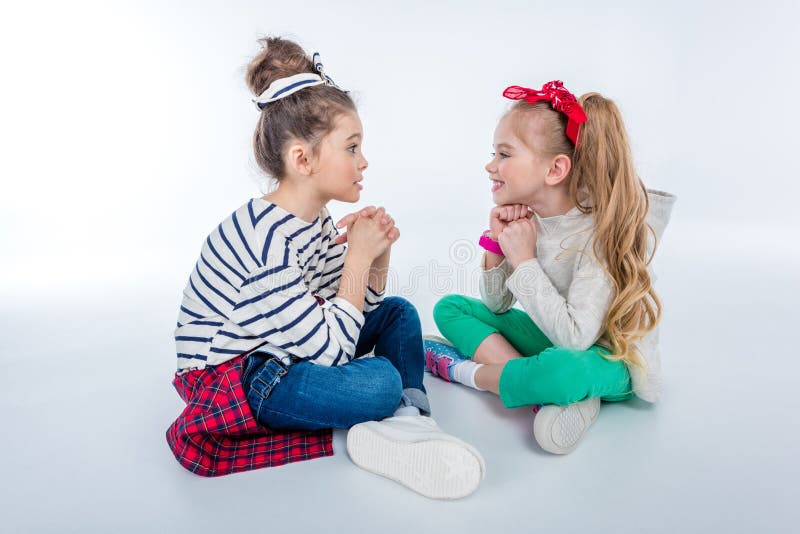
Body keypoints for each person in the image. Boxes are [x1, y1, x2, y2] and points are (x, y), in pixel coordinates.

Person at [167, 37, 484, 499]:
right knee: (380, 382)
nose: (364, 161)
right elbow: (330, 351)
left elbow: (351, 305)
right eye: (352, 147)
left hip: (284, 347)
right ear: (303, 159)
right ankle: (396, 412)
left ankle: (409, 422)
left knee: (399, 313)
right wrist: (356, 257)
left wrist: (376, 256)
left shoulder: (311, 217)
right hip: (240, 376)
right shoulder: (265, 240)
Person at [424, 80, 676, 455]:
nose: (490, 165)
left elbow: (576, 340)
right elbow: (496, 306)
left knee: (563, 367)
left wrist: (525, 260)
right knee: (451, 308)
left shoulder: (600, 236)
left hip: (611, 358)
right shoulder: (534, 219)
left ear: (555, 169)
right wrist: (499, 243)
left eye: (505, 154)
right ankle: (547, 393)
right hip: (555, 335)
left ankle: (474, 374)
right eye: (494, 153)